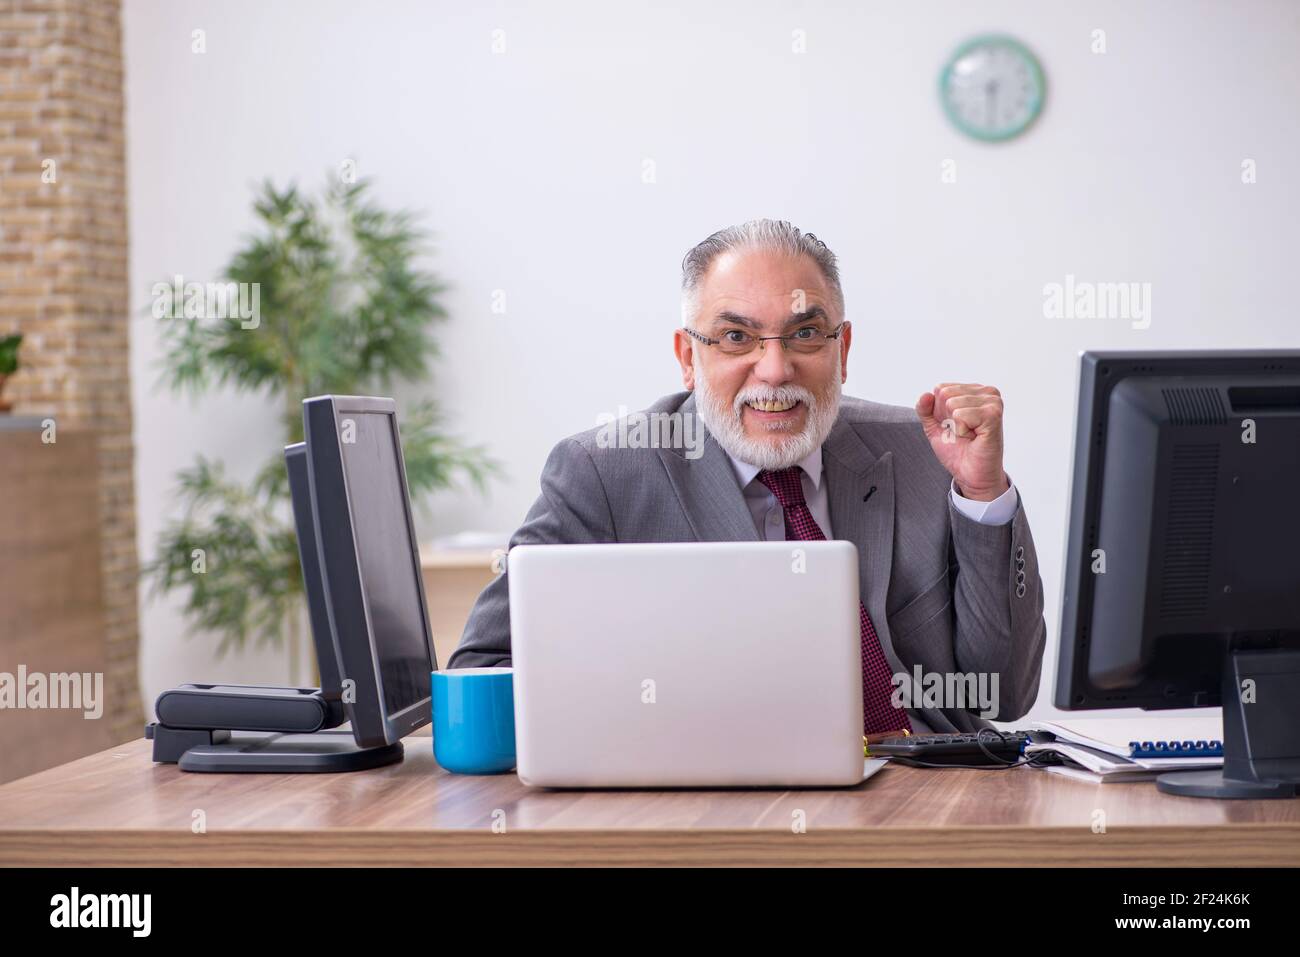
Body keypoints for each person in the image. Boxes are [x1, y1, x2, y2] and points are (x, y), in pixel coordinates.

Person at [449, 219, 1046, 733]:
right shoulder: (605, 474)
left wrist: (982, 495)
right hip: (710, 804)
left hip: (926, 793)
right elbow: (482, 675)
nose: (774, 368)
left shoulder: (924, 453)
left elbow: (1003, 695)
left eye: (805, 333)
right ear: (689, 357)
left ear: (843, 349)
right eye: (736, 337)